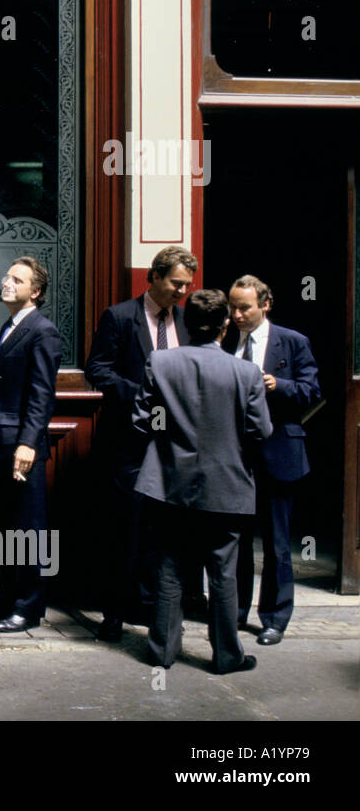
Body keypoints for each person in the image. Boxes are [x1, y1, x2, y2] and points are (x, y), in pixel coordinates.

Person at [131, 289, 271, 674]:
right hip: (226, 485)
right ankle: (227, 655)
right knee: (223, 574)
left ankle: (162, 652)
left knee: (169, 569)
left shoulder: (160, 362)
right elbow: (260, 430)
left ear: (184, 324)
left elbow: (144, 421)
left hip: (168, 482)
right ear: (225, 326)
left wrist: (170, 428)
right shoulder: (246, 372)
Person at [85, 245, 197, 641]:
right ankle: (114, 614)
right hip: (127, 442)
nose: (181, 292)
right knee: (122, 530)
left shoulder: (187, 320)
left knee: (163, 532)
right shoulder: (120, 316)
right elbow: (96, 368)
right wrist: (142, 394)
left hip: (174, 445)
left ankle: (157, 612)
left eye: (187, 285)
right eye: (175, 283)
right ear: (154, 276)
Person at [225, 275, 321, 646]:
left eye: (245, 307)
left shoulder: (293, 342)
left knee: (278, 542)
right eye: (233, 307)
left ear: (266, 304)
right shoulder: (226, 340)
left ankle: (274, 619)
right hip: (236, 457)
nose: (237, 315)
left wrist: (278, 385)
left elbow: (312, 391)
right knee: (237, 540)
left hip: (280, 453)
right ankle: (234, 612)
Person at [0, 257, 63, 633]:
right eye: (6, 276)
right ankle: (9, 599)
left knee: (29, 527)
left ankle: (28, 607)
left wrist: (28, 443)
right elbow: (7, 386)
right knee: (7, 524)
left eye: (16, 279)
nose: (6, 282)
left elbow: (42, 394)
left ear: (35, 292)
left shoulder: (43, 331)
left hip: (21, 444)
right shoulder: (9, 326)